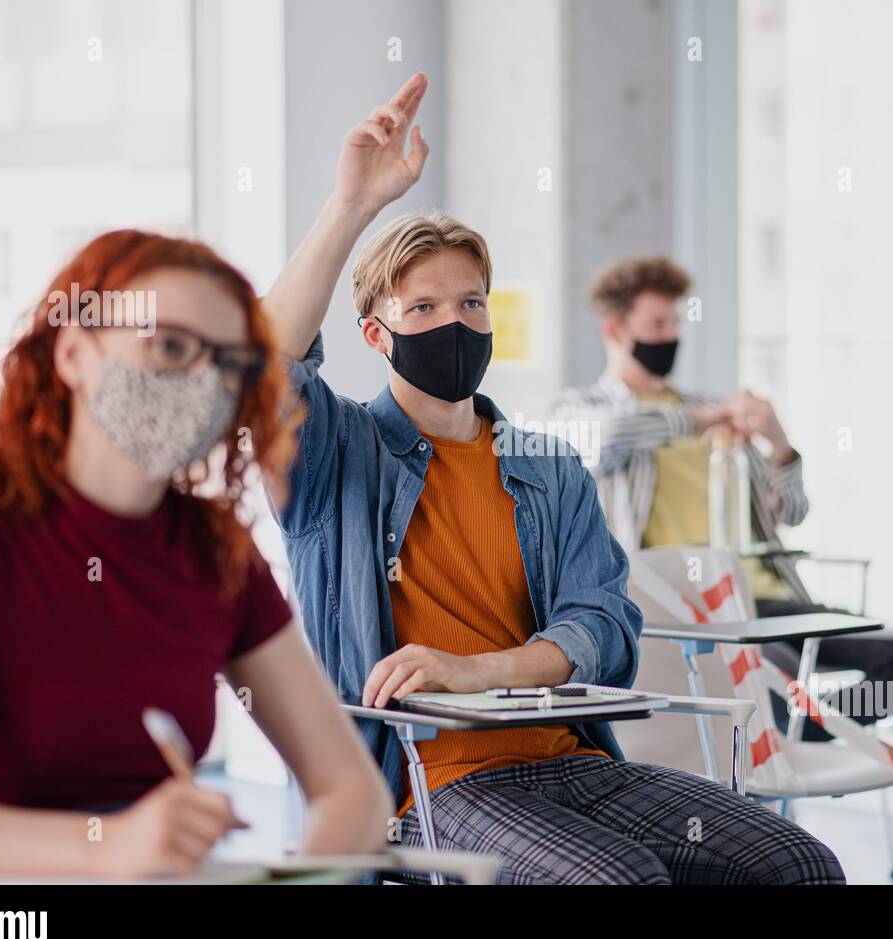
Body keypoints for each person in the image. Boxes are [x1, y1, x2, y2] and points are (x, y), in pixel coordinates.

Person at [263, 71, 844, 885]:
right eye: (423, 309)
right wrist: (353, 204)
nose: (454, 324)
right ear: (374, 333)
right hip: (433, 782)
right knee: (623, 881)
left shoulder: (544, 465)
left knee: (797, 862)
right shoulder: (339, 456)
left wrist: (484, 668)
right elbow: (267, 369)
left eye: (471, 304)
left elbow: (606, 626)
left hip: (572, 757)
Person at [0, 230, 392, 877]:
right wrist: (105, 846)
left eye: (231, 363)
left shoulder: (217, 551)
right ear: (73, 352)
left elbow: (353, 790)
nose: (203, 381)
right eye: (170, 345)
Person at [550, 257, 893, 739]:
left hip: (763, 598)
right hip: (683, 610)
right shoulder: (583, 409)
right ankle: (778, 738)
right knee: (767, 678)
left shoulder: (710, 409)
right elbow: (604, 439)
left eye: (675, 322)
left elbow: (792, 512)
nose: (670, 335)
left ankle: (791, 736)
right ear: (615, 328)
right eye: (656, 323)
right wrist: (703, 420)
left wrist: (778, 444)